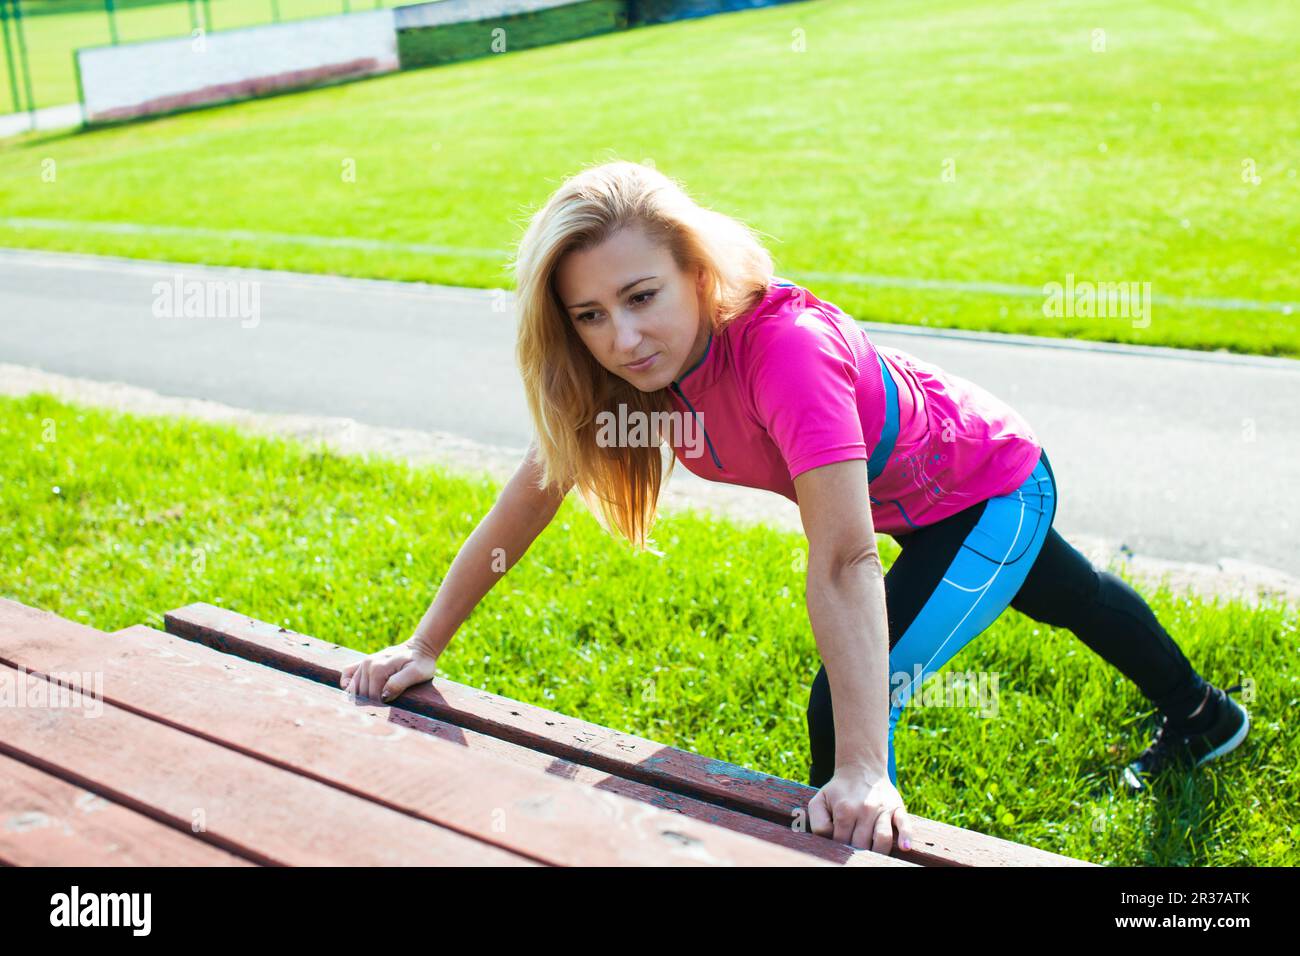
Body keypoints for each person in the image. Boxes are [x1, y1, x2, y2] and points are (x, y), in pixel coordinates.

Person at [341, 160, 1249, 855]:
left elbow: (844, 560)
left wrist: (861, 770)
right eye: (588, 315)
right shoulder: (632, 376)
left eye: (641, 296)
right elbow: (526, 502)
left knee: (851, 701)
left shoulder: (782, 354)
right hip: (928, 492)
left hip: (990, 486)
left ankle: (857, 832)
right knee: (1073, 596)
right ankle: (1208, 718)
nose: (621, 338)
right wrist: (424, 645)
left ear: (698, 271)